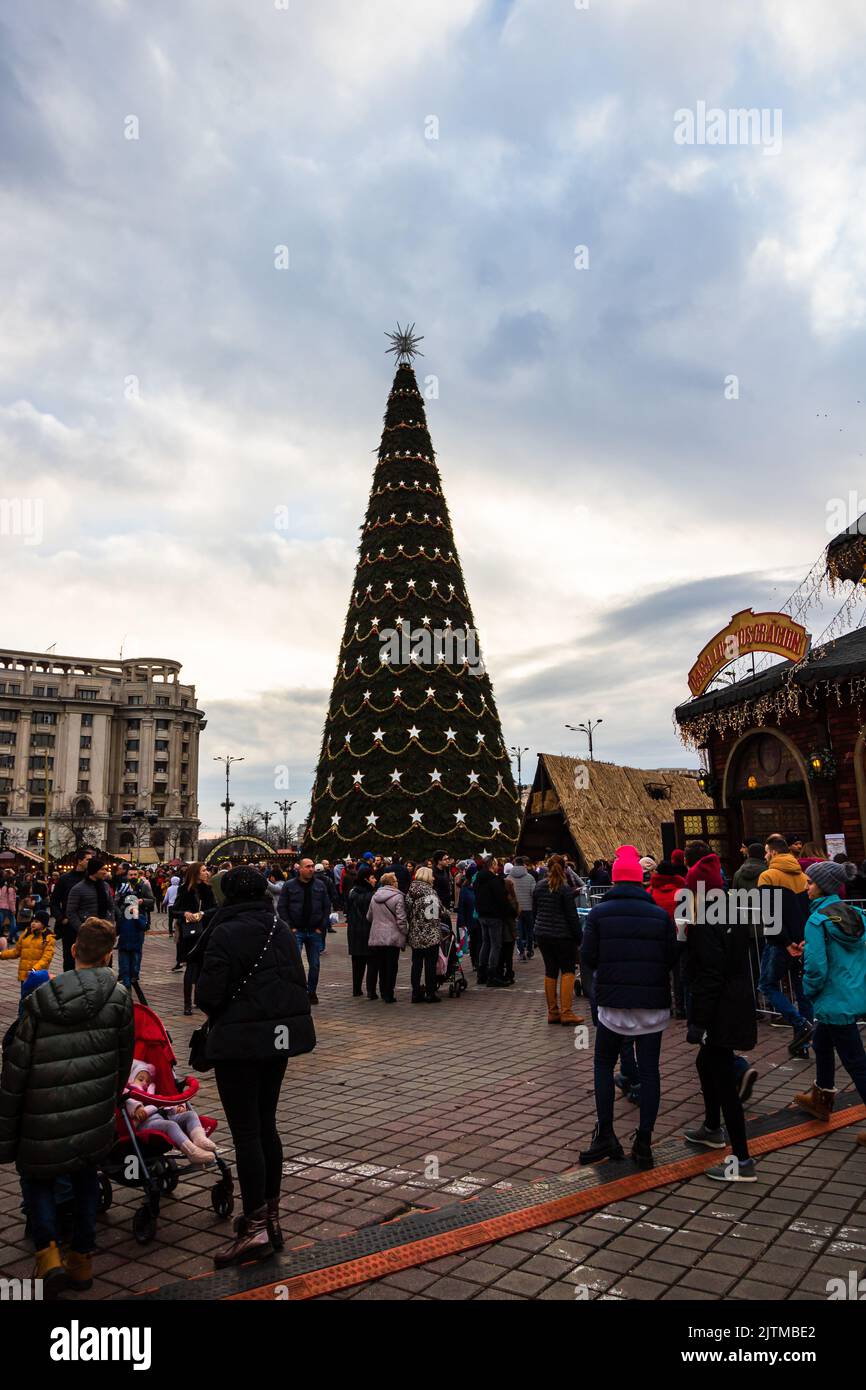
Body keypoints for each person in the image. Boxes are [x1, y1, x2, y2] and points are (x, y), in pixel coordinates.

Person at [0, 916, 134, 1297]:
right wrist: (110, 1095)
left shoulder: (39, 1000)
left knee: (38, 1178)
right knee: (85, 1178)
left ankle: (48, 1254)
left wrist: (6, 1123)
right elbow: (123, 1060)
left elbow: (16, 1067)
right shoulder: (120, 997)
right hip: (93, 1110)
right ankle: (82, 1259)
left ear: (73, 950)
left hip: (40, 1110)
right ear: (110, 957)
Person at [194, 866, 315, 1266]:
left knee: (246, 1133)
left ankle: (257, 1227)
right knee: (266, 1125)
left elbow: (209, 995)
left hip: (239, 1044)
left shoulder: (224, 931)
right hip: (275, 1041)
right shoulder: (278, 926)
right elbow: (294, 979)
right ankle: (272, 1219)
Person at [580, 845, 676, 1169]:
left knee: (604, 1064)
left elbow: (588, 957)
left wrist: (596, 996)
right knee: (650, 1070)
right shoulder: (661, 916)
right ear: (641, 881)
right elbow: (672, 958)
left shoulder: (597, 914)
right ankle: (645, 1140)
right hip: (651, 1005)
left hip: (613, 1005)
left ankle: (605, 1131)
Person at [682, 861, 759, 1182]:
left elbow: (709, 975)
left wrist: (697, 1022)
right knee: (706, 1064)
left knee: (725, 1083)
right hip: (738, 1002)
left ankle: (741, 1159)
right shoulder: (736, 914)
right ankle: (712, 1127)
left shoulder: (705, 924)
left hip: (720, 1010)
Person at [793, 861, 866, 1144]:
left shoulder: (817, 921)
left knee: (856, 1061)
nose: (806, 887)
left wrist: (811, 992)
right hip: (852, 993)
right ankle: (821, 1098)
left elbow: (816, 968)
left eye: (810, 883)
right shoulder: (856, 914)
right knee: (821, 1043)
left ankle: (822, 1100)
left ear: (822, 886)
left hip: (832, 999)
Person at [757, 833, 813, 1055]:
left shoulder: (768, 876)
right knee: (802, 991)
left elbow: (770, 915)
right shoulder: (802, 876)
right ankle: (803, 1045)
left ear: (773, 852)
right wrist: (801, 940)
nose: (765, 855)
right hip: (803, 941)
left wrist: (785, 941)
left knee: (767, 984)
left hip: (781, 942)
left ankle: (799, 1024)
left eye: (766, 851)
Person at [124, 1061, 216, 1163]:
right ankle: (192, 1152)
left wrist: (175, 1108)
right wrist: (137, 1108)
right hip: (145, 1123)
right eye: (141, 1079)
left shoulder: (151, 1091)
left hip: (161, 1116)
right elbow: (130, 1103)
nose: (145, 1083)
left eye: (148, 1081)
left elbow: (161, 1102)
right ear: (131, 1078)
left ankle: (200, 1139)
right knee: (170, 1125)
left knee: (191, 1114)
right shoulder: (128, 1091)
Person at [532, 854, 582, 1024]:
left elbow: (535, 911)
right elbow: (571, 916)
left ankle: (553, 1011)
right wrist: (579, 937)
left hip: (543, 934)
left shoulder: (539, 886)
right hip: (562, 936)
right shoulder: (565, 889)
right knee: (568, 971)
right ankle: (567, 1012)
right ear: (564, 867)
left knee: (550, 970)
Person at [277, 857, 332, 1004]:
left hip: (314, 931)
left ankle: (311, 991)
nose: (311, 869)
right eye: (307, 866)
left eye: (312, 866)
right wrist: (291, 927)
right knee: (295, 964)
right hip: (297, 931)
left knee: (314, 964)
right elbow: (282, 907)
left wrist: (321, 927)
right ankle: (297, 991)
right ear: (300, 869)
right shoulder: (290, 886)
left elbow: (326, 907)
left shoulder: (320, 885)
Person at [174, 863, 217, 1016]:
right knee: (191, 968)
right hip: (190, 934)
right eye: (204, 871)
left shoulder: (208, 889)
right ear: (196, 874)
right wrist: (185, 913)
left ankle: (198, 999)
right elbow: (174, 910)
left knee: (202, 966)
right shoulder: (184, 889)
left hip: (204, 931)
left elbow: (215, 909)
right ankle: (187, 1003)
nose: (207, 873)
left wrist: (203, 913)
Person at [649, 858, 688, 1018]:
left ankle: (665, 1005)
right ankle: (680, 1007)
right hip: (679, 934)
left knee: (660, 972)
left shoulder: (650, 892)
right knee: (679, 973)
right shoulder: (682, 891)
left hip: (657, 935)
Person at [405, 866, 446, 1004]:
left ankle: (415, 993)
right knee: (429, 965)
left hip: (415, 934)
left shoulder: (411, 892)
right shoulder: (430, 894)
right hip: (430, 935)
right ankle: (430, 992)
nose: (434, 878)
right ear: (428, 877)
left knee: (416, 965)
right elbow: (434, 915)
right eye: (432, 876)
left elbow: (407, 912)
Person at [366, 871, 407, 1003]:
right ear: (392, 883)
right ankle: (388, 993)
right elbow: (401, 919)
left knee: (381, 966)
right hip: (392, 937)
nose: (397, 883)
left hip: (377, 936)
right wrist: (405, 932)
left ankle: (382, 990)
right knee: (391, 967)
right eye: (395, 881)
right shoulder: (398, 897)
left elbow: (369, 917)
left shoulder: (375, 896)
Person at [474, 855, 512, 988]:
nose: (498, 866)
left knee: (486, 943)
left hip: (482, 915)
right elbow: (502, 900)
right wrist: (509, 912)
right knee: (495, 945)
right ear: (492, 865)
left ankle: (481, 973)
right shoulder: (494, 881)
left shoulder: (478, 879)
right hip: (494, 916)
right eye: (496, 864)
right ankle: (492, 974)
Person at [114, 867, 155, 991]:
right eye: (130, 874)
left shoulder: (144, 885)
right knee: (124, 947)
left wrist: (143, 901)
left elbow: (152, 900)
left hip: (139, 920)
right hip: (125, 920)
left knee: (137, 948)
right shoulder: (123, 886)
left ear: (138, 875)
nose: (132, 876)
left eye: (134, 874)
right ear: (127, 875)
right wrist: (120, 914)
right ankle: (124, 973)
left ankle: (135, 973)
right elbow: (115, 902)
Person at [0, 915, 55, 1004]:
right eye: (33, 921)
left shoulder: (48, 938)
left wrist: (34, 969)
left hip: (37, 976)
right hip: (25, 976)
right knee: (24, 1000)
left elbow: (46, 958)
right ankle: (22, 1017)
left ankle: (34, 1017)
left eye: (37, 921)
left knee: (37, 1002)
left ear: (44, 924)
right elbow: (16, 952)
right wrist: (1, 954)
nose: (33, 923)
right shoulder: (26, 934)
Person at [346, 862, 377, 998]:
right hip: (368, 930)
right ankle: (371, 991)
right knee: (371, 962)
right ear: (366, 879)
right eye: (372, 877)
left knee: (357, 962)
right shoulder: (371, 895)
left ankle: (356, 989)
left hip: (354, 931)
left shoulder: (352, 892)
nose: (375, 880)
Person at [65, 854, 114, 942]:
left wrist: (111, 923)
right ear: (94, 871)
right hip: (88, 933)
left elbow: (111, 906)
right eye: (102, 869)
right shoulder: (78, 888)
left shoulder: (105, 886)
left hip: (104, 931)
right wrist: (82, 929)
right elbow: (71, 912)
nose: (105, 872)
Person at [508, 856, 536, 961]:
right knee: (529, 930)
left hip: (515, 909)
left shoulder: (509, 878)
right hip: (528, 907)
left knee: (518, 931)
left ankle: (521, 951)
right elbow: (533, 893)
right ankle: (529, 950)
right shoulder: (530, 877)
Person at [0, 869, 16, 937]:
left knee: (1, 921)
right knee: (13, 923)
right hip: (8, 908)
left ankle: (1, 935)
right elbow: (11, 900)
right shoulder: (11, 889)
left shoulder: (3, 887)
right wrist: (13, 910)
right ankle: (12, 936)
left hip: (1, 906)